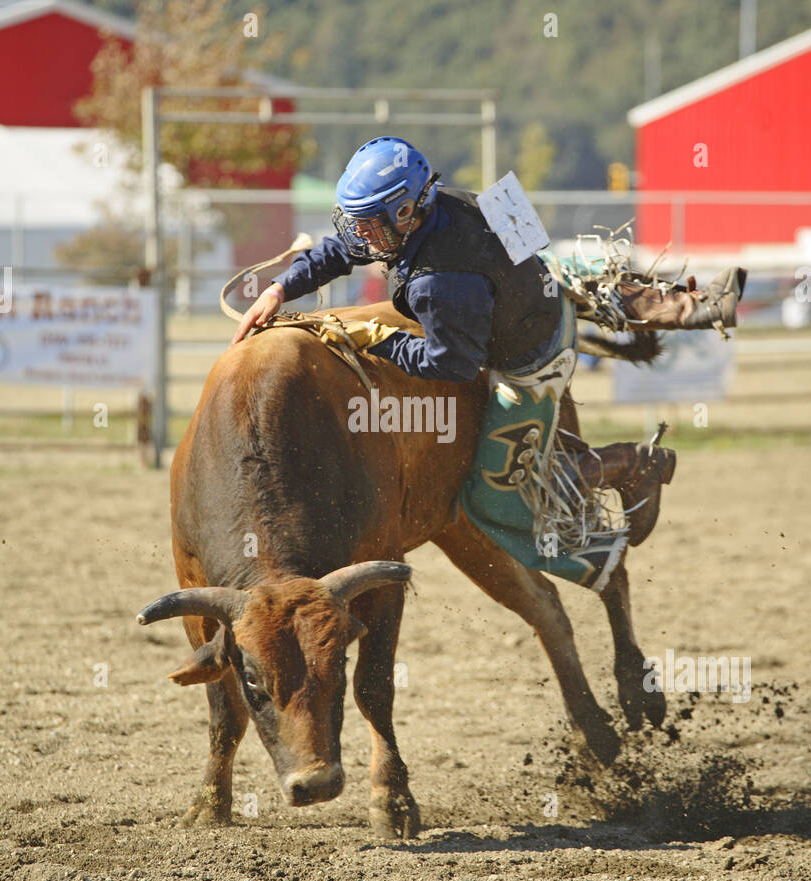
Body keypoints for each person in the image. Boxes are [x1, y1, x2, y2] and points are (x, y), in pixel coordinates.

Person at [230, 138, 744, 566]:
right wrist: (280, 289)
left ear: (405, 211)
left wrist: (379, 338)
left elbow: (453, 364)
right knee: (562, 273)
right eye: (356, 221)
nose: (359, 234)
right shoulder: (447, 203)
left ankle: (634, 464)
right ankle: (681, 303)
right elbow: (345, 250)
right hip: (539, 285)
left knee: (498, 496)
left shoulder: (440, 284)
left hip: (531, 357)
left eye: (369, 224)